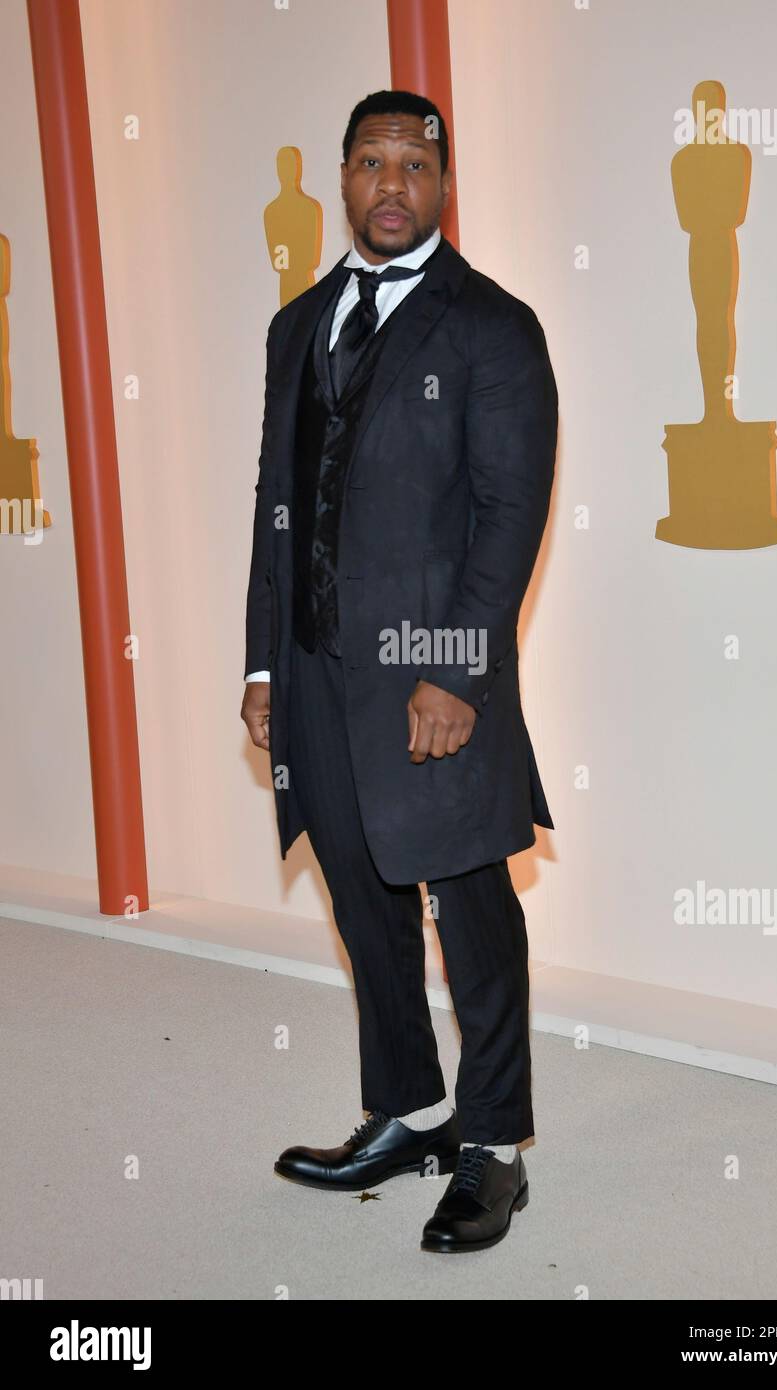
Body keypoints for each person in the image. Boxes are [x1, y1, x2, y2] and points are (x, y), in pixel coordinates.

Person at [241, 89, 558, 1253]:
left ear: (442, 183)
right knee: (361, 899)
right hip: (315, 669)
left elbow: (506, 514)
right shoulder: (298, 325)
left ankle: (492, 1144)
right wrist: (261, 664)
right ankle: (412, 1107)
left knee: (468, 906)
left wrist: (458, 673)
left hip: (433, 670)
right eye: (369, 163)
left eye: (412, 166)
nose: (390, 186)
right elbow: (275, 508)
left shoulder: (493, 327)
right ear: (341, 176)